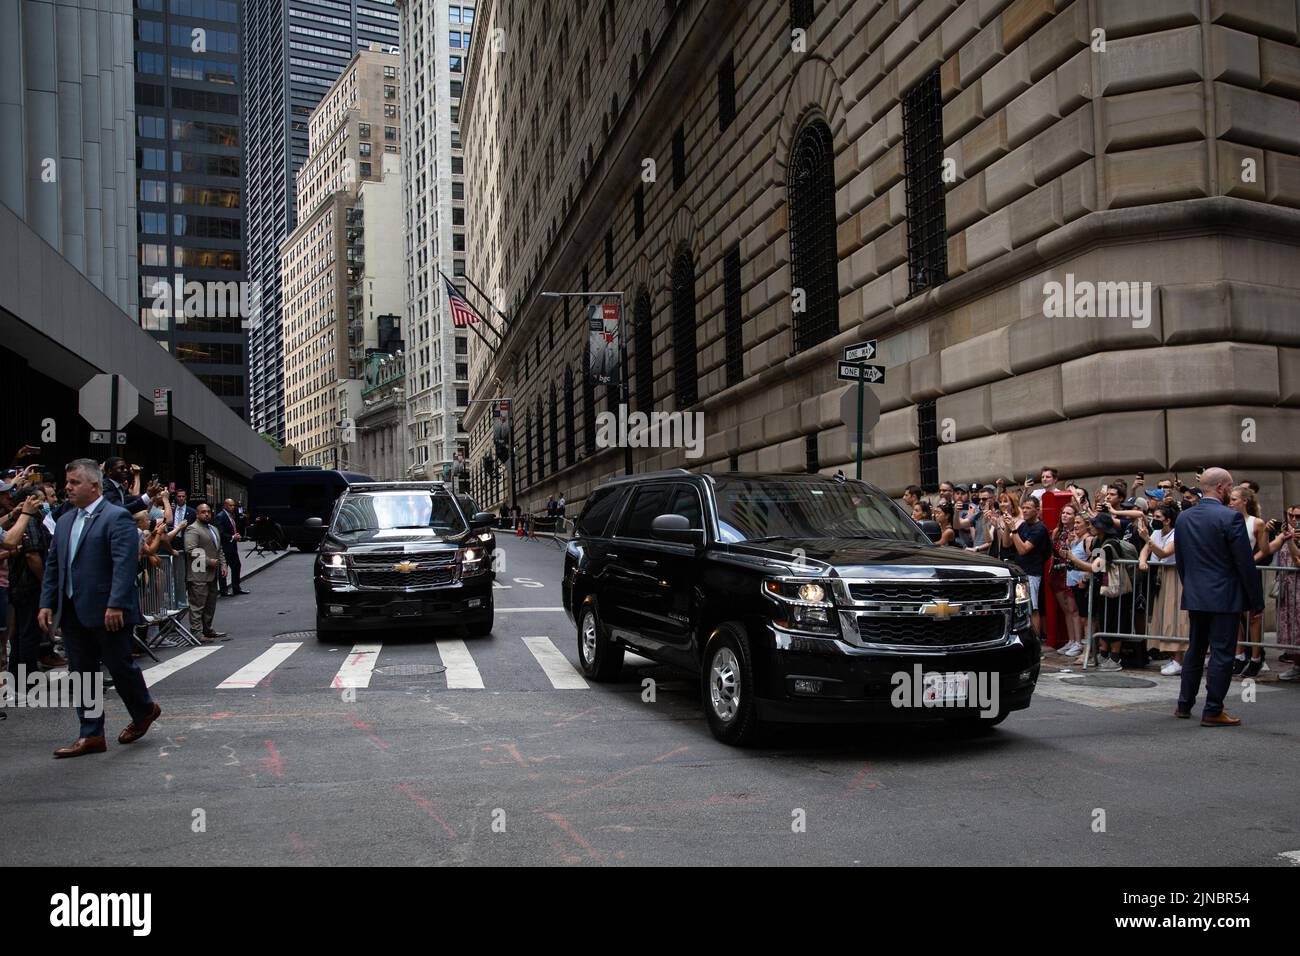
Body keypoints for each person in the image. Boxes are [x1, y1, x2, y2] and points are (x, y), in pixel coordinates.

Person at [37, 459, 161, 758]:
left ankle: (144, 710)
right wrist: (46, 603)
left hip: (108, 610)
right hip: (72, 610)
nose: (68, 488)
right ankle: (91, 734)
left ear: (94, 486)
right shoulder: (65, 519)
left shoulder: (116, 516)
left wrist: (116, 603)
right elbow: (54, 566)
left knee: (119, 667)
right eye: (67, 483)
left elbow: (124, 563)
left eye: (74, 483)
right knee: (82, 673)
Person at [1174, 468, 1264, 726]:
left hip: (1196, 594)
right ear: (1222, 488)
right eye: (1231, 486)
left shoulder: (1184, 518)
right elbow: (1245, 564)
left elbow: (1182, 561)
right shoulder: (1230, 518)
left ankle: (1184, 704)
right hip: (1224, 596)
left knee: (1196, 649)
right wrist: (1256, 601)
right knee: (1222, 653)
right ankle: (1213, 710)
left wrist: (1190, 586)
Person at [1138, 503, 1188, 676]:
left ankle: (1179, 659)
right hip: (1160, 577)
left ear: (1168, 520)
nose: (1154, 520)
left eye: (1158, 517)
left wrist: (1147, 539)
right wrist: (1142, 561)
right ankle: (1173, 657)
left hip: (1175, 577)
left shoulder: (1177, 535)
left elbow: (1164, 553)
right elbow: (1146, 550)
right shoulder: (1156, 533)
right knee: (1163, 616)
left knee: (1174, 618)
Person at [1227, 484, 1269, 677]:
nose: (1231, 503)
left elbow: (1264, 550)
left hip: (1249, 574)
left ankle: (1256, 657)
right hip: (1232, 574)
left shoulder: (1256, 523)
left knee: (1253, 617)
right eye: (1230, 499)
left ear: (1244, 501)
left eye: (1234, 499)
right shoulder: (1227, 519)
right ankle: (1239, 655)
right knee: (1235, 615)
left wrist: (1249, 561)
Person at [1001, 495, 1051, 638]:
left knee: (1032, 608)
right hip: (1021, 571)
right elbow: (1006, 544)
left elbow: (1023, 549)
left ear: (1037, 510)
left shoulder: (1040, 528)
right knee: (1021, 607)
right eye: (1023, 508)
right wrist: (1007, 526)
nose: (1025, 510)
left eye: (1029, 508)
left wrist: (1014, 531)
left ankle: (1036, 640)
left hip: (1033, 573)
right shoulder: (1023, 525)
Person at [184, 503, 229, 644]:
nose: (207, 514)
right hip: (198, 573)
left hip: (212, 573)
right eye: (203, 512)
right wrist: (209, 562)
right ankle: (197, 632)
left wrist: (223, 564)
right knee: (198, 604)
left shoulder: (213, 529)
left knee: (210, 603)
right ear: (197, 514)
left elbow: (219, 549)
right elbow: (190, 550)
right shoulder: (192, 529)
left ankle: (207, 629)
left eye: (209, 511)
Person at [1047, 504, 1080, 654]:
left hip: (1070, 571)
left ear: (1075, 516)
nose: (1064, 515)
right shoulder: (1057, 532)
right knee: (1065, 609)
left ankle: (1078, 642)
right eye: (1063, 513)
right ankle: (1071, 640)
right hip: (1057, 571)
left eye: (1069, 513)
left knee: (1073, 608)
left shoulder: (1077, 532)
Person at [1275, 504, 1300, 681]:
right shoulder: (1285, 535)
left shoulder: (1292, 537)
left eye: (1298, 517)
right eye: (1290, 515)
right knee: (1291, 627)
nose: (1293, 520)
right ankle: (1297, 665)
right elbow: (1267, 550)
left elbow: (1298, 561)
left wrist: (1291, 540)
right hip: (1288, 587)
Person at [216, 498, 249, 596]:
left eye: (233, 505)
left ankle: (236, 588)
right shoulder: (220, 516)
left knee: (236, 566)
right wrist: (232, 537)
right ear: (225, 505)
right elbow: (220, 533)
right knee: (223, 569)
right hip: (225, 548)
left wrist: (236, 537)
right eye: (230, 505)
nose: (233, 507)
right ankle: (223, 590)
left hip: (232, 547)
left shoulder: (231, 516)